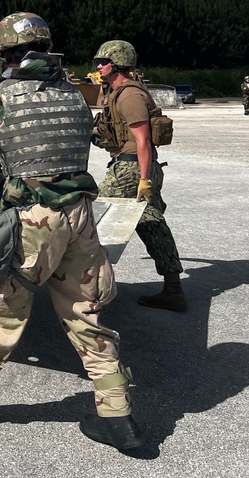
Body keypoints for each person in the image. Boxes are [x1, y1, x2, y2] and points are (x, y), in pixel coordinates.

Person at [0, 12, 142, 450]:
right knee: (85, 314)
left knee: (0, 310)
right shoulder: (75, 96)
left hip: (31, 221)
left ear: (4, 54)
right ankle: (116, 415)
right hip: (80, 216)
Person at [92, 40, 186, 312]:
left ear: (117, 64)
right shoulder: (117, 91)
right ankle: (173, 289)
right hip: (137, 165)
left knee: (95, 218)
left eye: (102, 61)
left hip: (132, 167)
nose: (98, 66)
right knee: (151, 223)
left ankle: (88, 287)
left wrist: (144, 180)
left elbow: (143, 141)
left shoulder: (130, 96)